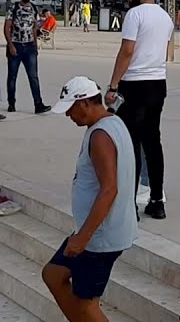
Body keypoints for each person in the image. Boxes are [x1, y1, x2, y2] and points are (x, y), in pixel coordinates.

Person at [42, 75, 136, 320]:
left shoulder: (101, 136)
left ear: (85, 103)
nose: (68, 115)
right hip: (92, 232)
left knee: (87, 304)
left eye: (70, 109)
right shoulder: (111, 123)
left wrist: (83, 237)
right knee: (53, 274)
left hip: (98, 238)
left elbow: (109, 189)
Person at [105, 0, 173, 220]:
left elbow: (127, 51)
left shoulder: (135, 15)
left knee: (130, 143)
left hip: (134, 84)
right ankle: (157, 200)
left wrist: (113, 85)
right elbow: (165, 52)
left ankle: (129, 204)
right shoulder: (165, 17)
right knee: (153, 142)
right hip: (157, 83)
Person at [4, 0, 50, 114]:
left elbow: (35, 28)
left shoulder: (34, 9)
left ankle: (38, 104)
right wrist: (10, 45)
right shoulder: (13, 8)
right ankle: (11, 103)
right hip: (16, 46)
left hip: (30, 47)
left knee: (33, 77)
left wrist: (35, 45)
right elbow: (6, 28)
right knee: (12, 77)